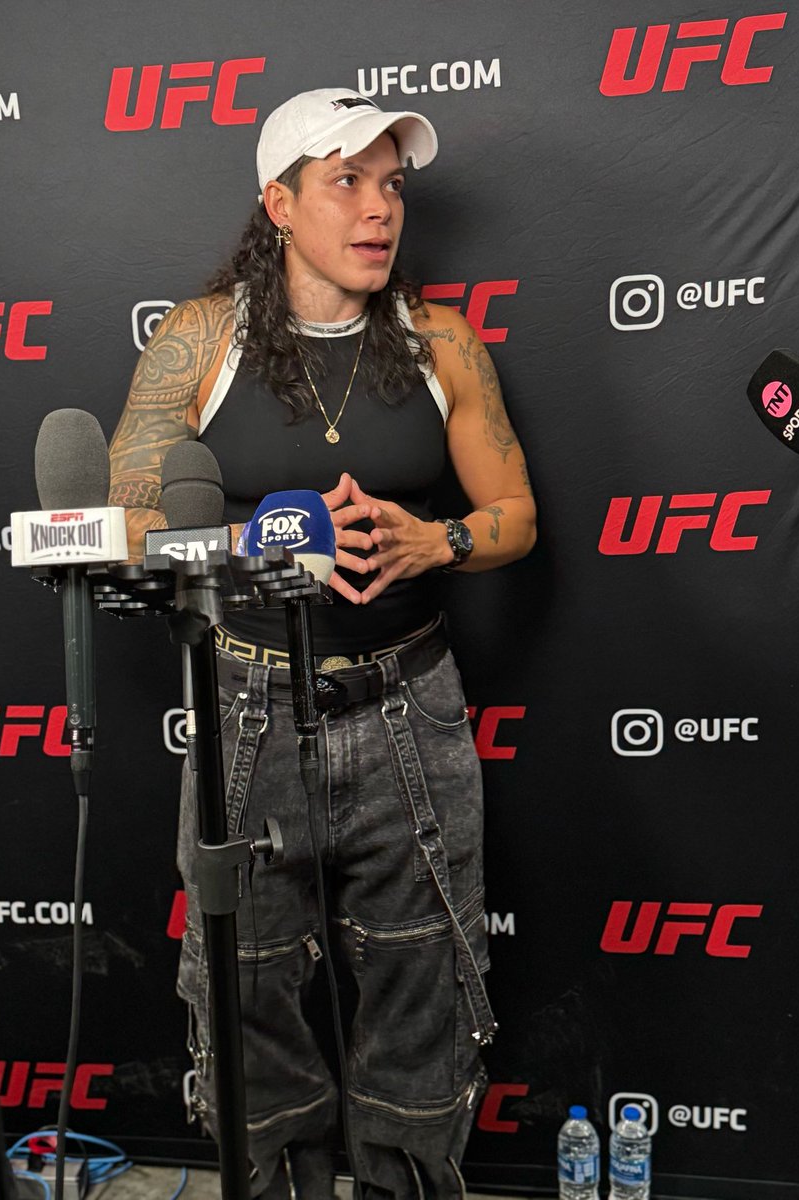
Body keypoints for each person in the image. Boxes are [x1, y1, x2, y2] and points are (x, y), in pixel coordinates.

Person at [109, 87, 536, 1199]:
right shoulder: (203, 339)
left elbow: (515, 518)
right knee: (244, 981)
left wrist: (436, 540)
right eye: (346, 181)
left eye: (391, 185)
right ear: (281, 204)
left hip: (410, 707)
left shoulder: (440, 339)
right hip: (247, 704)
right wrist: (254, 543)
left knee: (425, 974)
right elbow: (126, 523)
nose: (378, 208)